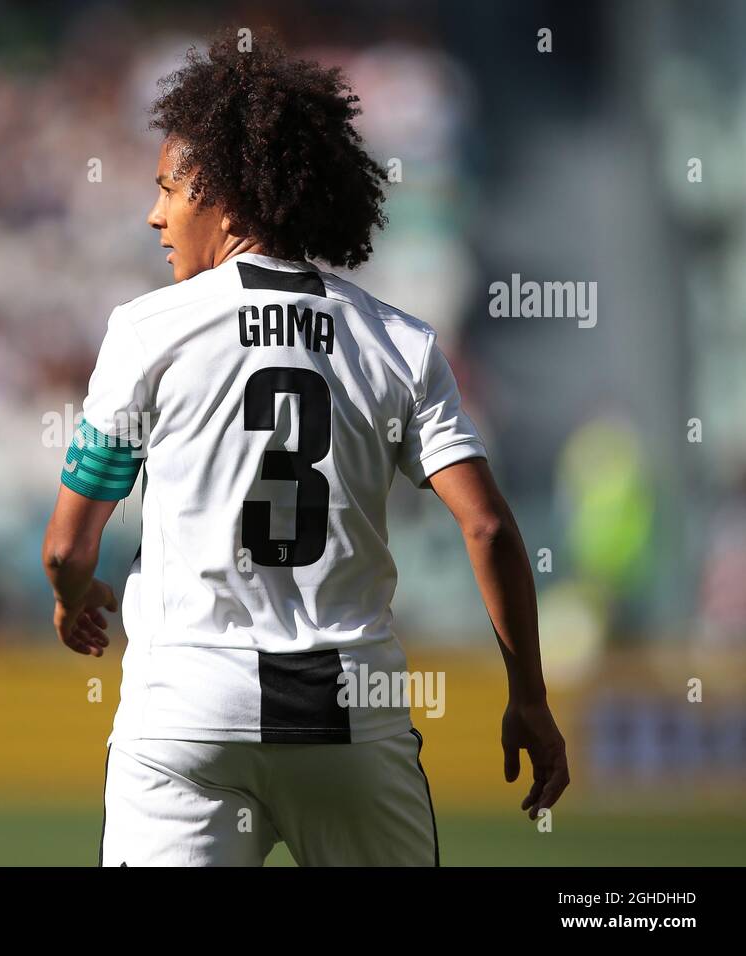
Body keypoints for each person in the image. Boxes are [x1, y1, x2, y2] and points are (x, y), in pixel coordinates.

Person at [41, 34, 568, 866]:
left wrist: (74, 598)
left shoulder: (147, 330)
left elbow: (68, 545)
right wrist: (529, 696)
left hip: (185, 714)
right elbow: (491, 530)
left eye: (166, 188)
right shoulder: (400, 341)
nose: (154, 215)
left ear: (216, 188)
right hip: (352, 715)